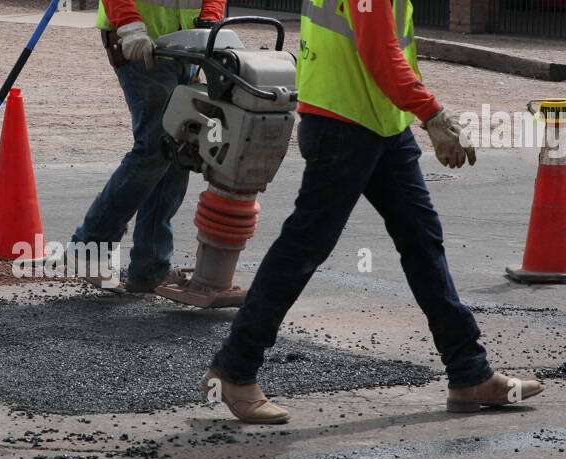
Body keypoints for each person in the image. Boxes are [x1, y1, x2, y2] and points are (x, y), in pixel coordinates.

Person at [202, 0, 545, 423]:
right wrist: (434, 115)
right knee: (304, 246)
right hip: (345, 124)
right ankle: (235, 368)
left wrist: (414, 112)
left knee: (421, 240)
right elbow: (382, 57)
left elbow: (387, 54)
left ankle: (469, 371)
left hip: (380, 122)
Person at [72, 0, 226, 293]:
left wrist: (209, 19)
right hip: (141, 42)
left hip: (188, 45)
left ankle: (150, 268)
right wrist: (128, 24)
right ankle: (91, 247)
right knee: (155, 147)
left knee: (178, 147)